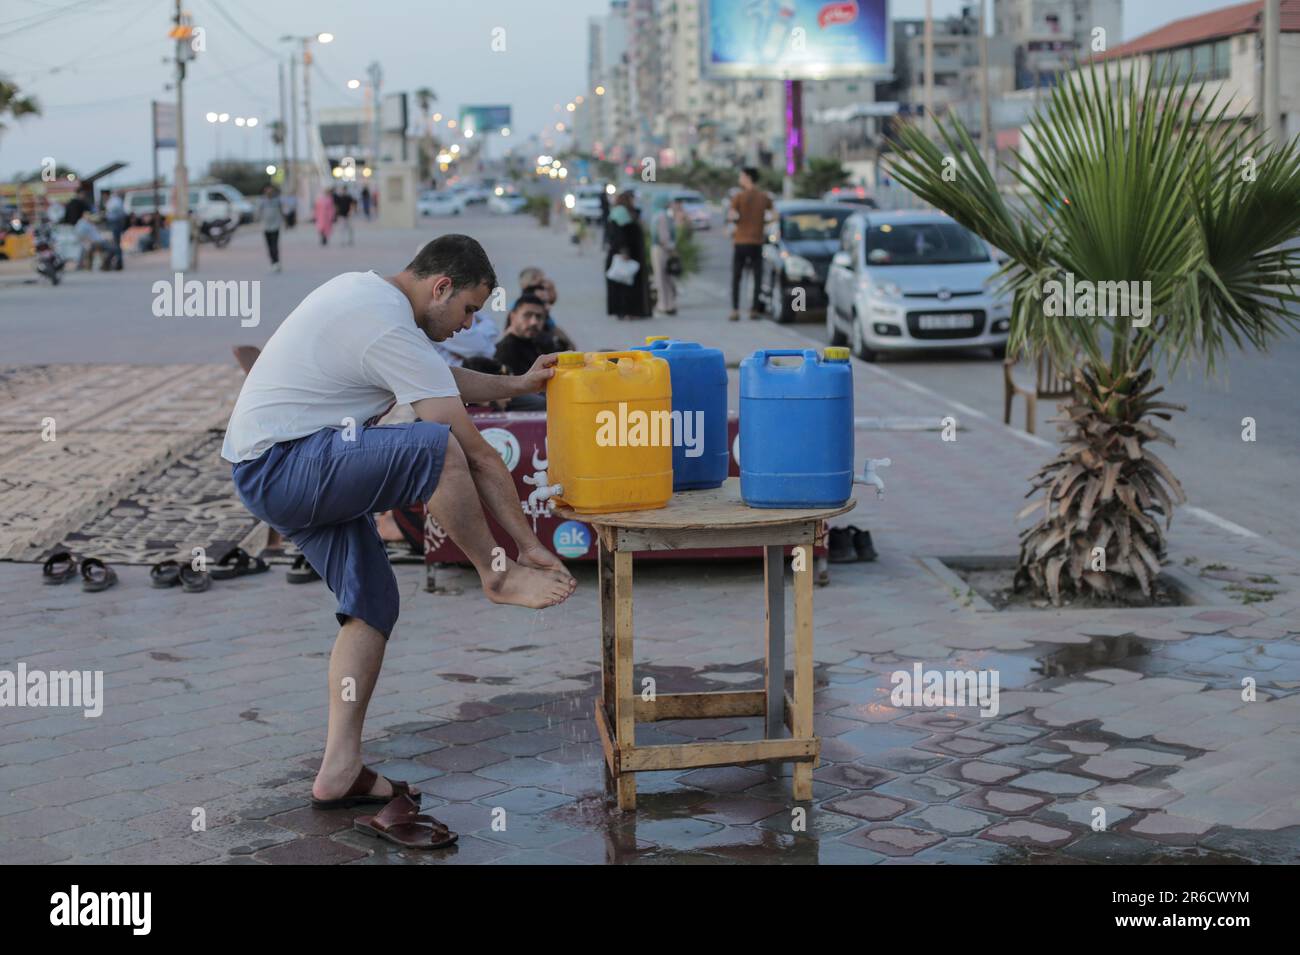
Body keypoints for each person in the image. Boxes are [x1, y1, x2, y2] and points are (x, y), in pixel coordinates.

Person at [223, 235, 576, 825]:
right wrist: (521, 553)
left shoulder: (376, 302)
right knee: (436, 450)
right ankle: (495, 580)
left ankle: (340, 769)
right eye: (467, 309)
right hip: (285, 466)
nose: (468, 324)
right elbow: (478, 455)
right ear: (440, 287)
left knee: (373, 602)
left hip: (274, 465)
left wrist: (516, 385)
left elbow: (442, 381)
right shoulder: (385, 323)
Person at [727, 165, 773, 321]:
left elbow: (732, 216)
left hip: (740, 241)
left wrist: (737, 224)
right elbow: (775, 215)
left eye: (741, 176)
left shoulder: (738, 197)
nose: (740, 179)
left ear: (747, 177)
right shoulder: (764, 197)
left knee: (737, 276)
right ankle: (754, 310)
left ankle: (735, 310)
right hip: (757, 241)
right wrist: (762, 224)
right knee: (757, 276)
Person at [493, 292, 551, 410]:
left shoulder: (540, 343)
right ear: (513, 317)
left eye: (539, 317)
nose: (534, 322)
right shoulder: (506, 349)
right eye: (527, 315)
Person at [605, 191, 650, 320]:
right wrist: (624, 251)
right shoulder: (620, 212)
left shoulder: (629, 211)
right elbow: (620, 234)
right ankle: (625, 311)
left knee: (629, 284)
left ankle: (631, 311)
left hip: (632, 253)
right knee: (624, 284)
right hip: (624, 254)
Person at [651, 198, 682, 316]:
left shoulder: (659, 215)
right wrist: (672, 249)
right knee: (664, 279)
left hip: (660, 249)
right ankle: (667, 304)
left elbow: (662, 237)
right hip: (662, 249)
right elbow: (664, 237)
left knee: (663, 278)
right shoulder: (663, 216)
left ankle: (665, 305)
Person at [259, 185, 283, 272]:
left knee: (274, 245)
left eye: (270, 191)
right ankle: (273, 262)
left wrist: (284, 222)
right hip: (266, 227)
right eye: (267, 191)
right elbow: (259, 212)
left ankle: (276, 262)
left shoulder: (277, 200)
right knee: (269, 246)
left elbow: (281, 211)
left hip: (275, 226)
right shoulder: (262, 201)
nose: (269, 192)